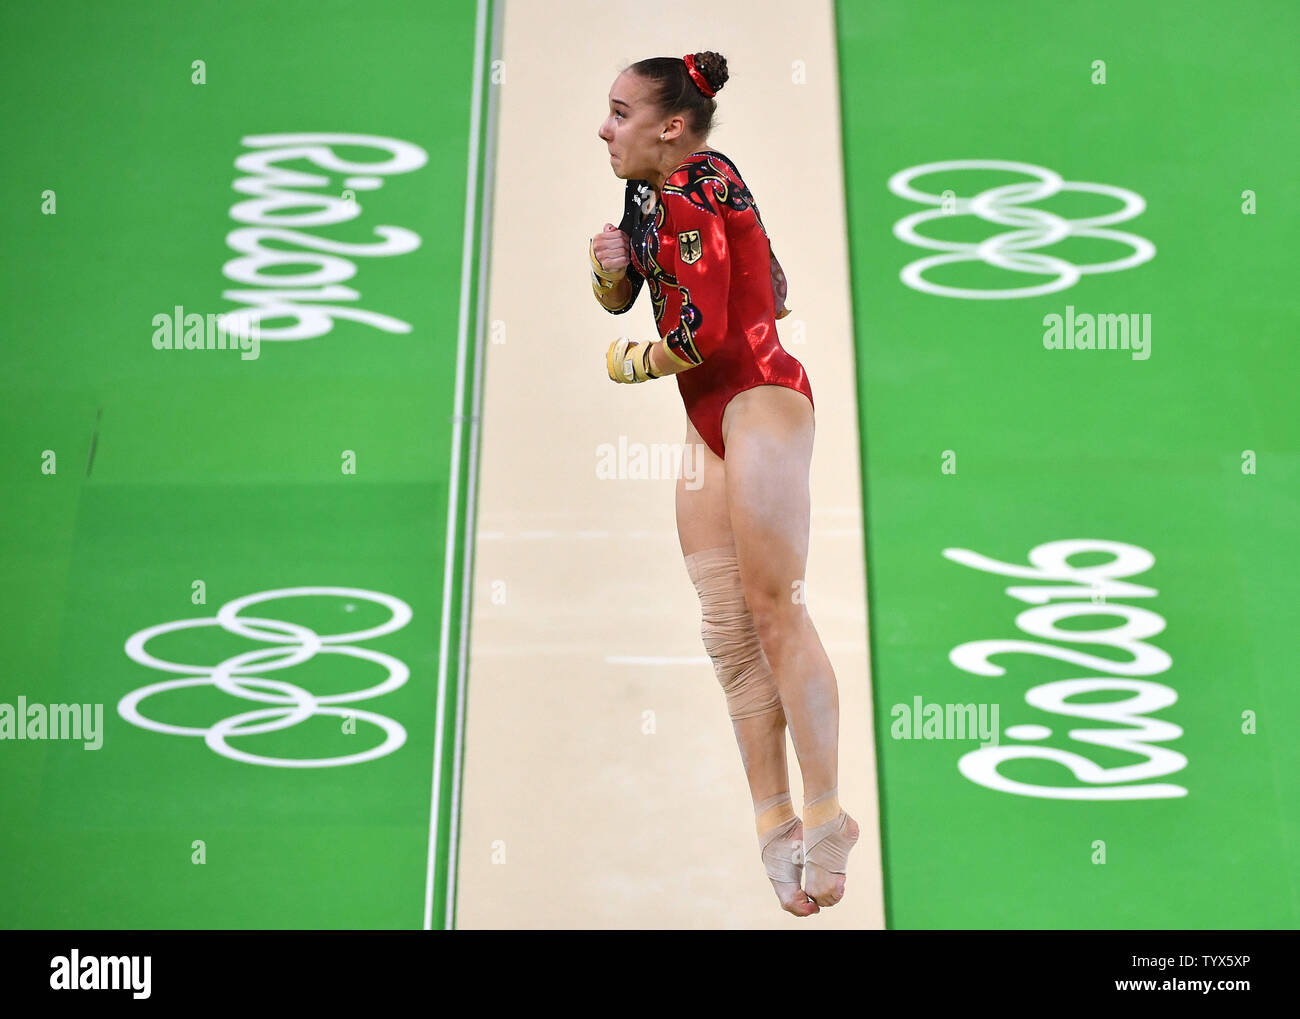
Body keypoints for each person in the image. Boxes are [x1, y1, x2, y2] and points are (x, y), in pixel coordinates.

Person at [591, 51, 858, 916]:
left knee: (774, 606)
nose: (605, 127)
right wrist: (611, 268)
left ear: (670, 126)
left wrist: (634, 364)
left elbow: (699, 334)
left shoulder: (688, 194)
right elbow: (764, 286)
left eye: (621, 113)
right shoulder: (655, 191)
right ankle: (773, 821)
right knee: (726, 630)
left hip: (759, 401)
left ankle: (826, 815)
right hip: (712, 415)